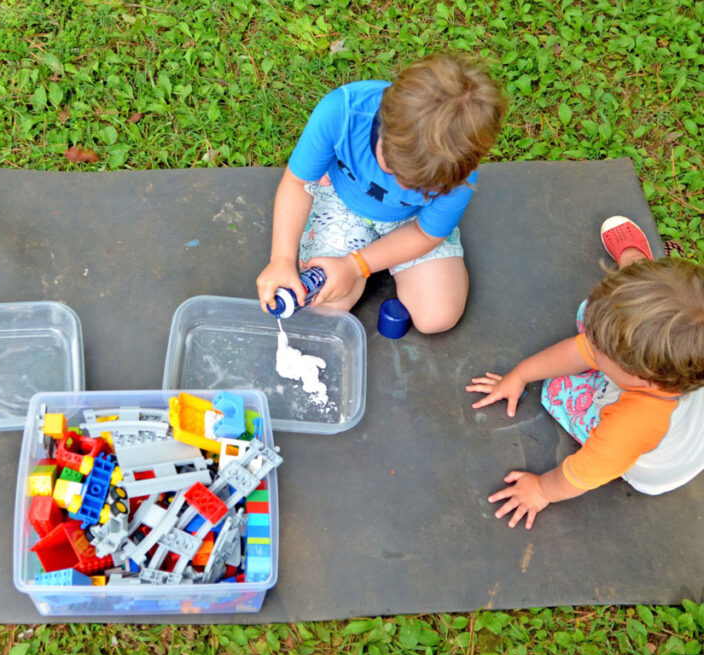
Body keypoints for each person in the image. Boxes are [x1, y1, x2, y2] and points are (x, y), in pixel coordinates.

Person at [467, 217, 704, 529]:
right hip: (676, 401)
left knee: (558, 391)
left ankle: (640, 272)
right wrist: (521, 374)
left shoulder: (629, 425)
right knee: (604, 316)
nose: (591, 345)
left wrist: (541, 490)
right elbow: (586, 348)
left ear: (642, 376)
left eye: (601, 352)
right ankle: (639, 270)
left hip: (650, 459)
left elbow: (584, 473)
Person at [255, 55, 506, 332]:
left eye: (425, 186)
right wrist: (281, 260)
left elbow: (425, 234)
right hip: (342, 201)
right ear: (383, 124)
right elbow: (297, 184)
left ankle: (364, 267)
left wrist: (355, 266)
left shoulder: (460, 172)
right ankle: (353, 269)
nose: (405, 188)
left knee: (438, 317)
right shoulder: (343, 112)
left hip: (411, 223)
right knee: (325, 308)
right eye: (395, 170)